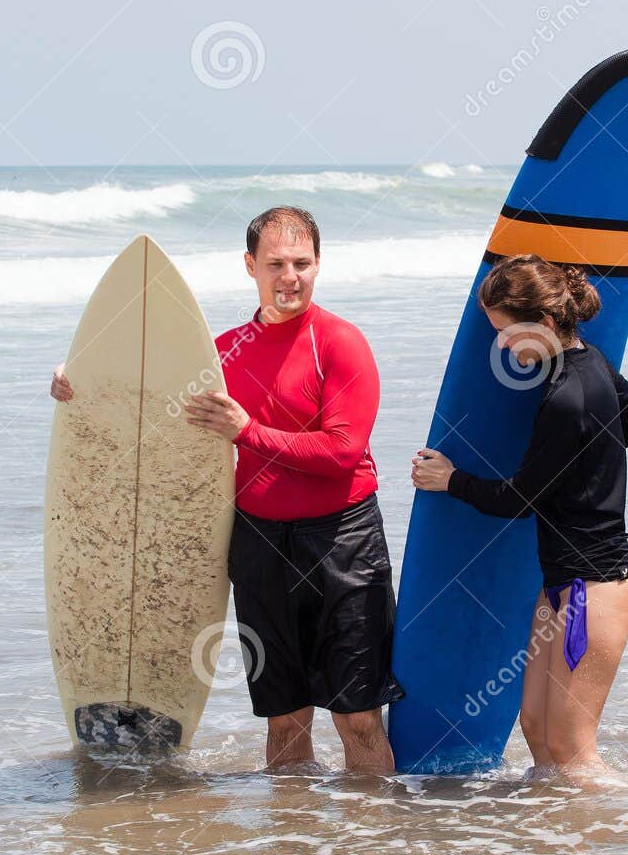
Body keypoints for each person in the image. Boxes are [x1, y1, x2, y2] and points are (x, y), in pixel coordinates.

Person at [51, 206, 402, 773]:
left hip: (342, 543)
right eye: (276, 264)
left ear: (318, 266)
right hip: (259, 543)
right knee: (285, 718)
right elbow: (151, 419)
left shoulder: (340, 343)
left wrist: (249, 432)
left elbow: (341, 452)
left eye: (302, 264)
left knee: (357, 717)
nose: (291, 277)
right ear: (250, 266)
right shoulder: (224, 354)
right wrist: (80, 383)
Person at [411, 254, 628, 786]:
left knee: (572, 749)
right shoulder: (588, 362)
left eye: (505, 331)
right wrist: (593, 465)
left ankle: (615, 845)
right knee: (538, 730)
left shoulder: (566, 396)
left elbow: (519, 499)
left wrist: (451, 480)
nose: (500, 345)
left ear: (542, 324)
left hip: (596, 585)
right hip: (562, 585)